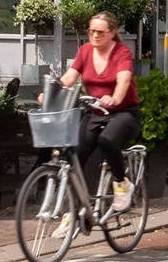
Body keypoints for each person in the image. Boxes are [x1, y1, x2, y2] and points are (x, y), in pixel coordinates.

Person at [57, 11, 140, 211]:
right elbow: (69, 78)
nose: (95, 36)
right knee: (74, 154)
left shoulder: (122, 52)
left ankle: (122, 183)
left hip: (124, 112)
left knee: (107, 140)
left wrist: (115, 98)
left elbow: (124, 80)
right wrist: (50, 93)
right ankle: (76, 210)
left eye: (100, 32)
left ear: (112, 33)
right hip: (95, 111)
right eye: (91, 31)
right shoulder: (85, 51)